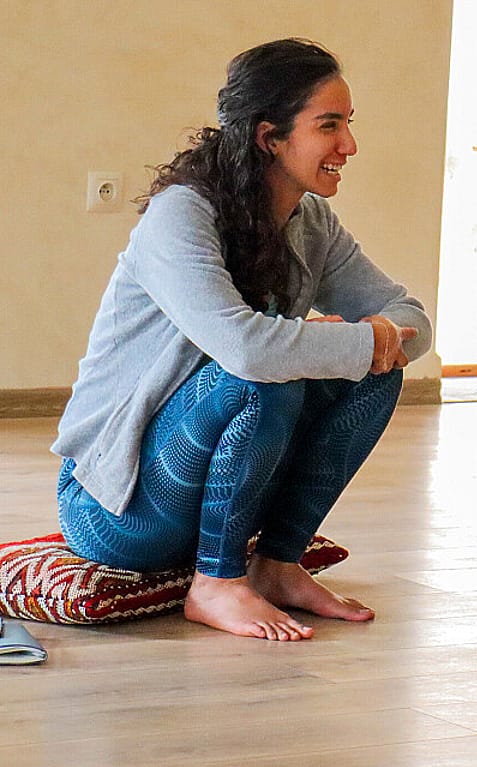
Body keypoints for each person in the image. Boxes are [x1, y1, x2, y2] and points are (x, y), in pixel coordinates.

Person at [52, 39, 433, 641]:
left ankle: (278, 564)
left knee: (377, 372)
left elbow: (410, 320)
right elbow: (248, 351)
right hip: (115, 510)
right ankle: (217, 584)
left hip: (213, 491)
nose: (349, 146)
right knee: (261, 375)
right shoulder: (181, 215)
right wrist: (340, 341)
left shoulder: (312, 222)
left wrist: (363, 342)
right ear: (268, 137)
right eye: (328, 126)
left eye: (348, 125)